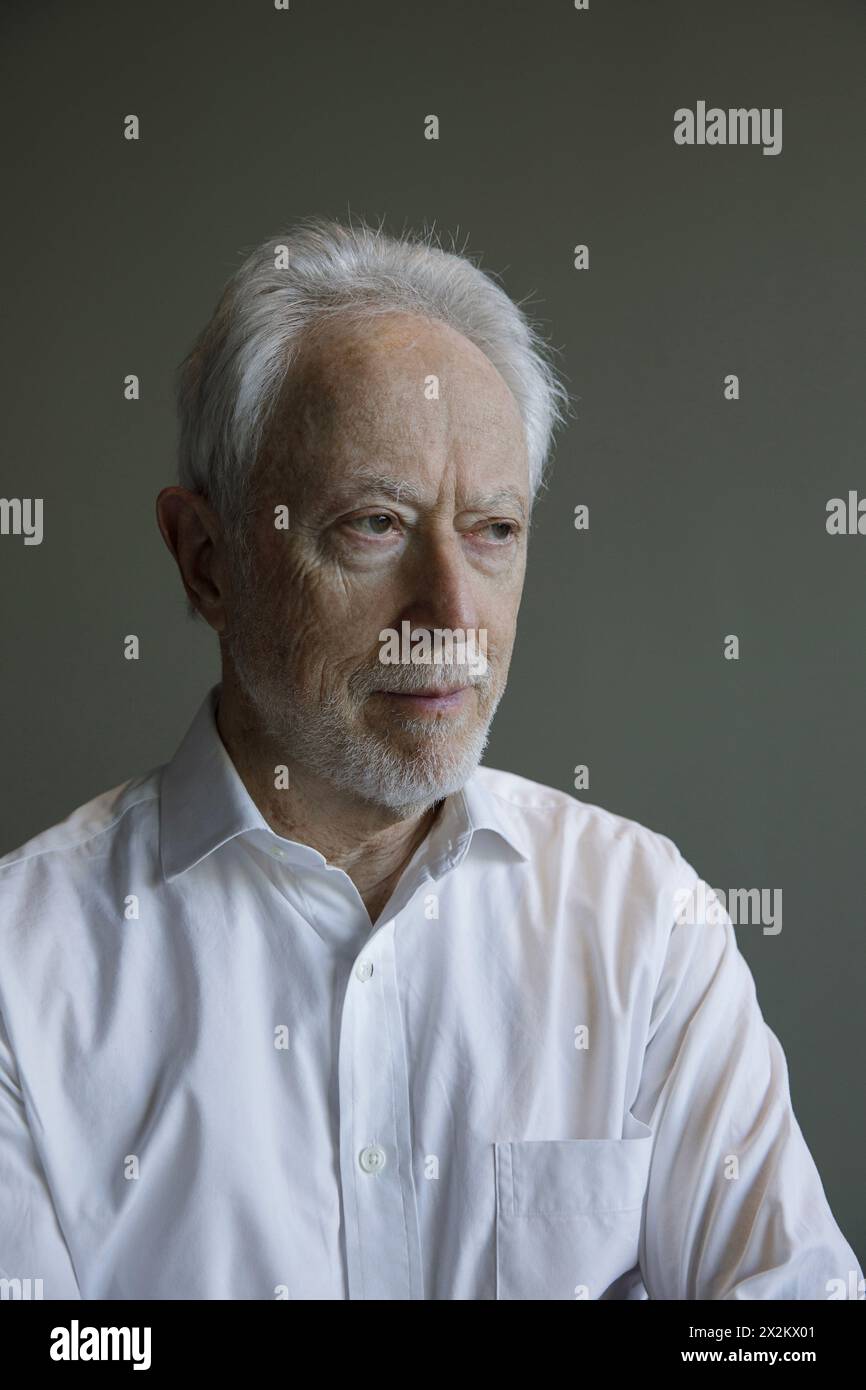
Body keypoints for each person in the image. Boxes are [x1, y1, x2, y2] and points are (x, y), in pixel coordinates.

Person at [0, 216, 860, 1299]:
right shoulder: (20, 980)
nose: (451, 616)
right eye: (373, 523)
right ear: (208, 560)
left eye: (492, 529)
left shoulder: (644, 921)